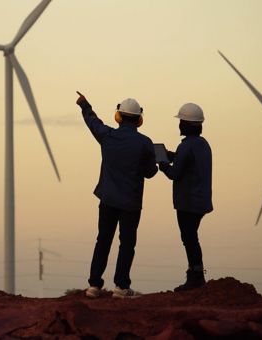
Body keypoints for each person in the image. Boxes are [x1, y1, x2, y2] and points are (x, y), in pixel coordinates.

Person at [76, 91, 158, 299]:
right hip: (130, 202)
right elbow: (150, 172)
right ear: (139, 119)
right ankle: (121, 287)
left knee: (103, 239)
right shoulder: (145, 143)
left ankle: (94, 285)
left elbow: (93, 122)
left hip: (108, 199)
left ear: (119, 116)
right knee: (127, 243)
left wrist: (85, 105)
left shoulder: (108, 136)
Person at [158, 103, 213, 292]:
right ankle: (196, 275)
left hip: (188, 202)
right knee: (191, 237)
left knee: (189, 238)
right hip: (201, 201)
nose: (179, 125)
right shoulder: (203, 144)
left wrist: (163, 162)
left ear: (187, 124)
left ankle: (196, 277)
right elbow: (188, 163)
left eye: (181, 121)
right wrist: (172, 155)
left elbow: (174, 173)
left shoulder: (187, 146)